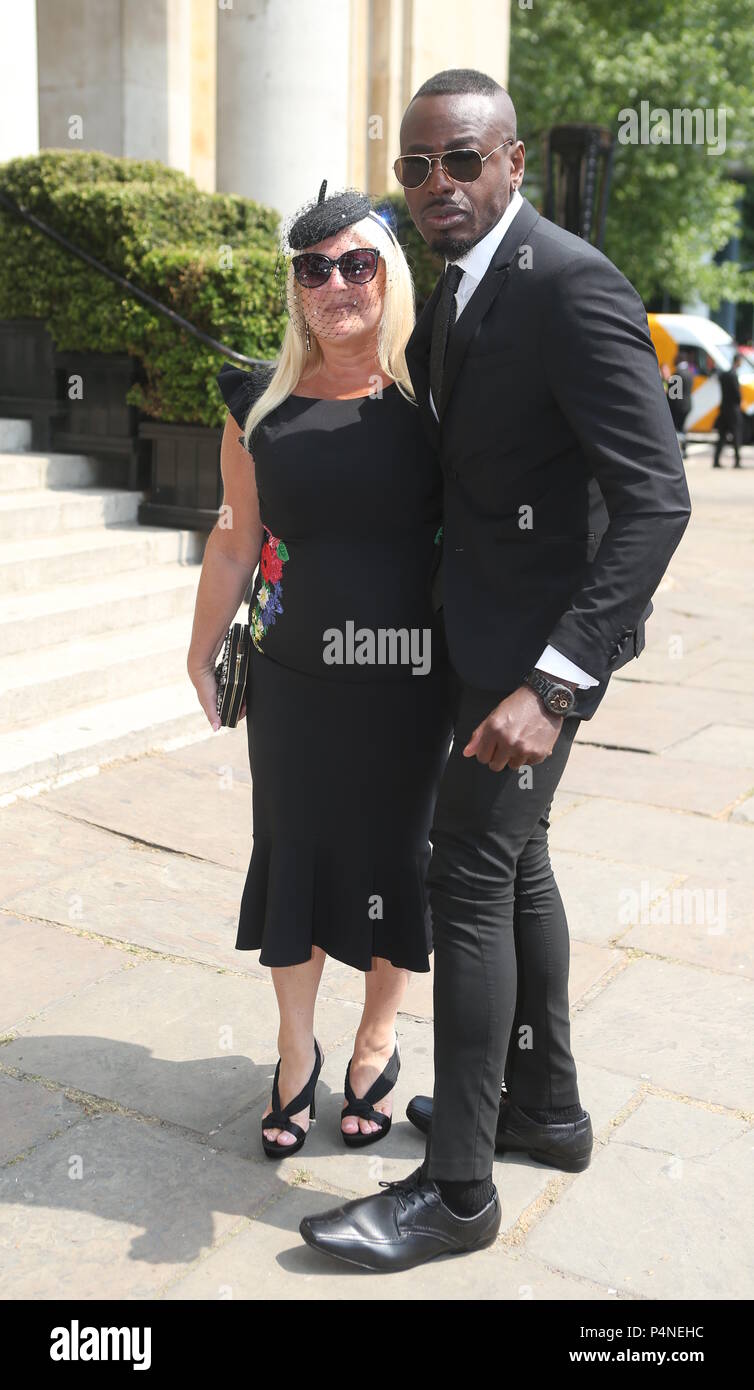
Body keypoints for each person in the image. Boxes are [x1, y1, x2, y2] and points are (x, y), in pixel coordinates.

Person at [299, 69, 691, 1273]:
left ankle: (458, 1192)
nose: (437, 186)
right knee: (516, 868)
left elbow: (657, 500)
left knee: (462, 876)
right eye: (415, 167)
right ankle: (546, 1110)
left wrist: (557, 680)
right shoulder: (461, 286)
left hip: (536, 659)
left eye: (461, 161)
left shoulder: (572, 283)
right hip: (481, 638)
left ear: (512, 162)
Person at [187, 181, 455, 1159]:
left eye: (357, 264)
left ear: (391, 278)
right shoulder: (256, 401)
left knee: (398, 862)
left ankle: (375, 1039)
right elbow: (231, 540)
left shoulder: (433, 399)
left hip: (413, 684)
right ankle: (293, 1049)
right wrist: (199, 646)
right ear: (295, 288)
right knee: (291, 854)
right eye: (314, 268)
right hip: (291, 680)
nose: (335, 284)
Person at [713, 352, 743, 467]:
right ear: (738, 361)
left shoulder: (724, 374)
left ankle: (716, 460)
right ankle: (737, 461)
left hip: (724, 408)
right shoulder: (733, 375)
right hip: (733, 409)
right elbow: (737, 394)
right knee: (736, 435)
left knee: (722, 435)